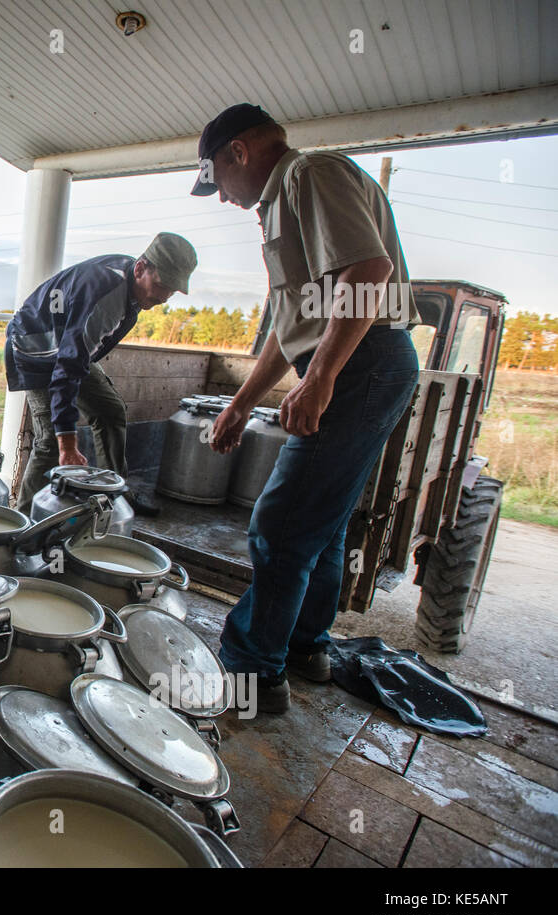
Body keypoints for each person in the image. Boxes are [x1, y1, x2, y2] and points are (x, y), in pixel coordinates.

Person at [193, 104, 420, 713]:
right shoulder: (280, 205)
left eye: (214, 177)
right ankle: (302, 647)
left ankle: (250, 675)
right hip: (359, 361)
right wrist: (241, 402)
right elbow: (288, 326)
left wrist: (321, 376)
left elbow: (370, 271)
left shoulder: (308, 175)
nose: (219, 197)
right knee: (321, 522)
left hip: (361, 362)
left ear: (238, 152)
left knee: (281, 522)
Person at [6, 233, 198, 514]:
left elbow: (77, 354)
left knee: (110, 410)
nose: (163, 297)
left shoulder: (131, 286)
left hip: (69, 349)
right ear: (140, 268)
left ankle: (116, 497)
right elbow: (67, 369)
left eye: (171, 290)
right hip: (35, 349)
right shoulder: (104, 295)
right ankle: (23, 520)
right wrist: (68, 443)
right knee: (50, 441)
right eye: (159, 286)